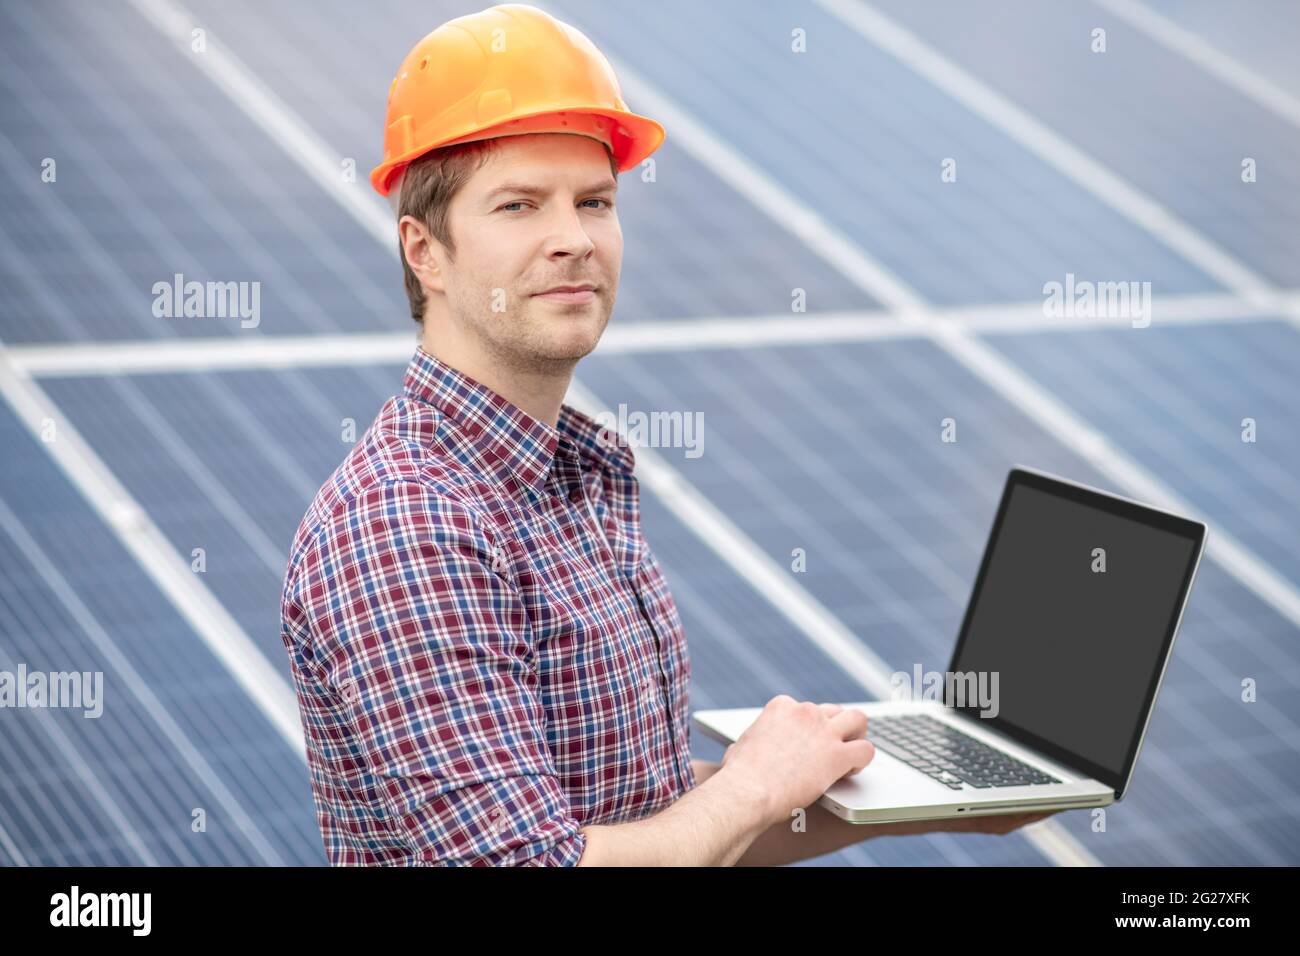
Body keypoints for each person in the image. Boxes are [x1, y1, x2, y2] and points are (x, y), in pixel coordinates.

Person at [279, 2, 1051, 866]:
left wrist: (935, 802)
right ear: (425, 252)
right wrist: (755, 782)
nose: (572, 239)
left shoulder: (570, 479)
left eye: (595, 201)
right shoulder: (408, 524)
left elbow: (643, 817)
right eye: (519, 205)